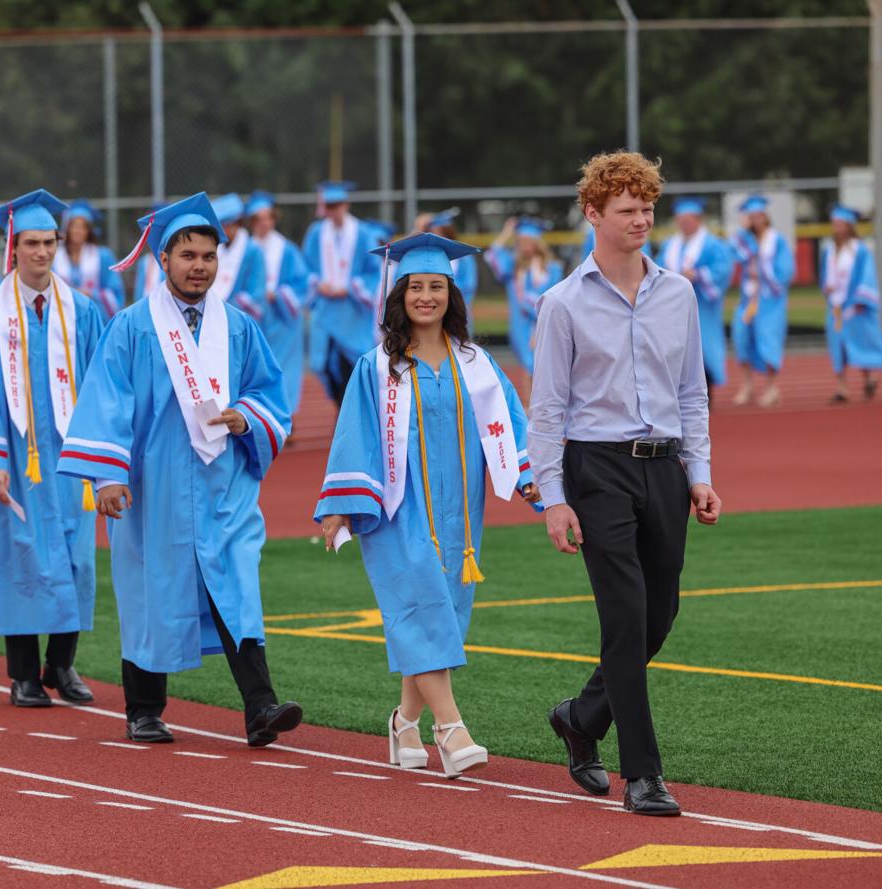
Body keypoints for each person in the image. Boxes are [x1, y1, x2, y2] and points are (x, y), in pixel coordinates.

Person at [59, 192, 302, 746]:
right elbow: (107, 403)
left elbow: (270, 394)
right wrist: (109, 476)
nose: (199, 266)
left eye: (209, 256)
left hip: (224, 485)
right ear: (162, 260)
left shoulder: (237, 326)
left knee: (236, 585)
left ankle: (261, 708)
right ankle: (144, 709)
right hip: (155, 486)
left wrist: (248, 417)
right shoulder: (132, 328)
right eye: (188, 255)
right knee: (152, 591)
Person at [530, 151, 721, 817]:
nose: (641, 219)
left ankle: (580, 715)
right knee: (622, 613)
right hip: (596, 468)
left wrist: (698, 475)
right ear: (592, 214)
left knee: (658, 613)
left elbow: (691, 393)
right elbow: (548, 408)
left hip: (663, 466)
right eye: (626, 210)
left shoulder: (679, 292)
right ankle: (643, 774)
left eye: (646, 208)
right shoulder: (561, 303)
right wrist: (552, 496)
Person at [315, 233, 540, 775]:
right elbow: (355, 435)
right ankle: (451, 729)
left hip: (459, 512)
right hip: (396, 508)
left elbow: (509, 423)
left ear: (450, 294)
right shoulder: (378, 367)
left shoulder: (477, 364)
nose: (426, 296)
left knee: (441, 616)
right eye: (415, 286)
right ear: (399, 296)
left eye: (436, 286)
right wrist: (338, 506)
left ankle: (403, 724)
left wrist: (532, 479)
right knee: (420, 605)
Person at [0, 189, 105, 706]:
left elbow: (101, 386)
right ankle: (22, 676)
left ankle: (61, 665)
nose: (41, 251)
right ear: (13, 247)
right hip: (15, 459)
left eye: (49, 241)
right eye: (31, 242)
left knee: (76, 559)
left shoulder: (81, 310)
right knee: (21, 558)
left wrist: (104, 457)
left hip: (71, 459)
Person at [303, 181, 378, 406]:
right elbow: (305, 267)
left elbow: (374, 270)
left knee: (351, 367)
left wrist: (352, 287)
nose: (333, 211)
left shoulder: (363, 233)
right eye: (329, 206)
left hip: (352, 312)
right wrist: (317, 284)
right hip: (326, 310)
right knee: (326, 365)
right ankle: (340, 408)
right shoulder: (316, 233)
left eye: (337, 205)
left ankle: (348, 414)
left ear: (346, 204)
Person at [657, 198, 734, 391]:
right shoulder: (670, 245)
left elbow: (722, 270)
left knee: (703, 348)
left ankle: (707, 391)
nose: (683, 223)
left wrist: (698, 275)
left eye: (688, 219)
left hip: (703, 306)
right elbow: (656, 267)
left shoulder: (712, 244)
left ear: (698, 219)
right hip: (673, 307)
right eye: (680, 219)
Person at [729, 195, 795, 408]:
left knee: (768, 341)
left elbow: (786, 271)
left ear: (765, 216)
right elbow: (735, 254)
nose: (755, 219)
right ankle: (747, 386)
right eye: (751, 216)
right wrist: (743, 230)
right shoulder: (746, 240)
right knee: (741, 338)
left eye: (758, 215)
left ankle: (771, 387)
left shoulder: (777, 240)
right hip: (748, 298)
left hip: (770, 300)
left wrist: (764, 275)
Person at [247, 190, 309, 415]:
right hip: (254, 318)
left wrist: (280, 294)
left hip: (282, 319)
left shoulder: (288, 249)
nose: (264, 223)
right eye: (258, 219)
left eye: (268, 218)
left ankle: (286, 415)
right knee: (257, 368)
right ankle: (261, 414)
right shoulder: (244, 250)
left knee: (285, 368)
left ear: (274, 218)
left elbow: (302, 285)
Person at [819, 204, 882, 403]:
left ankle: (869, 378)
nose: (837, 227)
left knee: (862, 342)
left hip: (855, 307)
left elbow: (867, 276)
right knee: (837, 345)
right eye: (835, 223)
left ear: (849, 225)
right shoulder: (829, 250)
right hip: (836, 307)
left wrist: (861, 300)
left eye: (840, 223)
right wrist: (826, 287)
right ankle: (842, 388)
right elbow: (825, 275)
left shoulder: (860, 250)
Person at [485, 217, 562, 376]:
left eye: (528, 242)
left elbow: (553, 300)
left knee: (542, 370)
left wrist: (537, 331)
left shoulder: (552, 269)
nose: (523, 247)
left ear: (537, 243)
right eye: (520, 243)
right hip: (519, 325)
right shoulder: (513, 268)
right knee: (528, 369)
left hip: (543, 323)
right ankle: (528, 402)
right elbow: (493, 253)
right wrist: (507, 232)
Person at [54, 199, 125, 318]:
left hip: (94, 315)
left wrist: (92, 294)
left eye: (83, 227)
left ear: (89, 231)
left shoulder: (103, 256)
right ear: (67, 229)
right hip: (63, 316)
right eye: (74, 226)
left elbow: (114, 292)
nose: (78, 231)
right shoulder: (55, 256)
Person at [208, 193, 267, 320]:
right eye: (220, 226)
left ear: (237, 223)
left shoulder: (252, 250)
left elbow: (257, 292)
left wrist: (231, 307)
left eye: (226, 225)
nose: (222, 230)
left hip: (241, 318)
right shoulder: (215, 248)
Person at [416, 209, 478, 310]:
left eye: (441, 234)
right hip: (431, 306)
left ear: (449, 233)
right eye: (432, 234)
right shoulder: (426, 256)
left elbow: (469, 285)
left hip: (457, 305)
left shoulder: (464, 257)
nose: (438, 238)